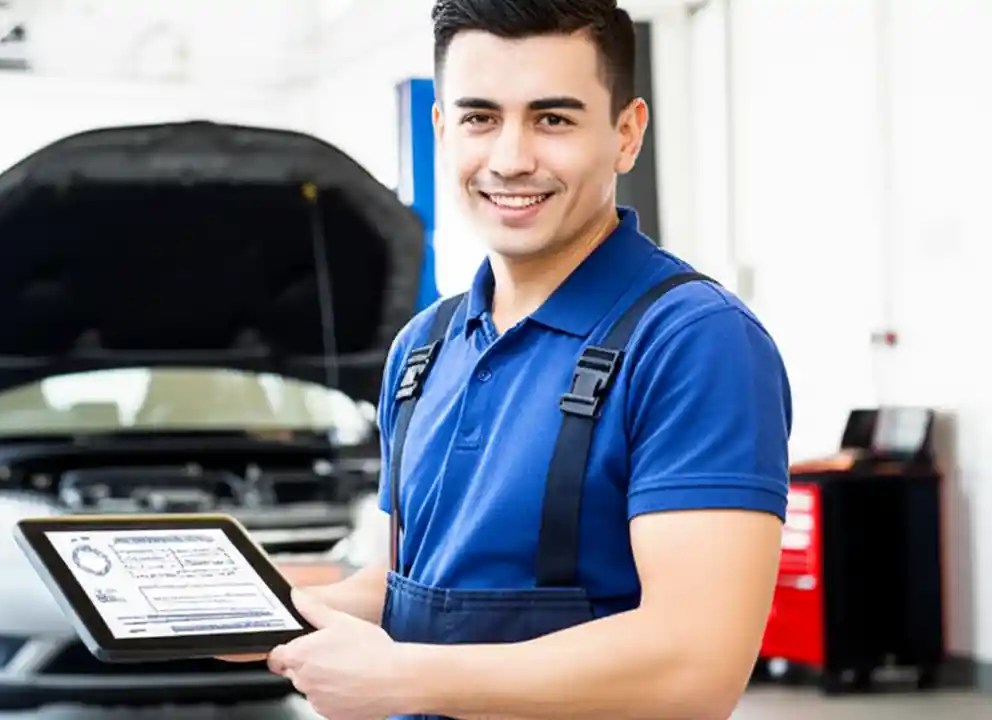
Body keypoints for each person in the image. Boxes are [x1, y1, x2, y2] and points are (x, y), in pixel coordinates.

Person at [252, 2, 792, 718]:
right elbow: (403, 584)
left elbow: (694, 664)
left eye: (553, 119)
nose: (510, 158)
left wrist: (407, 679)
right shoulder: (422, 348)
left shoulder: (694, 341)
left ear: (627, 134)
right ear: (442, 130)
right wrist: (270, 610)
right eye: (480, 118)